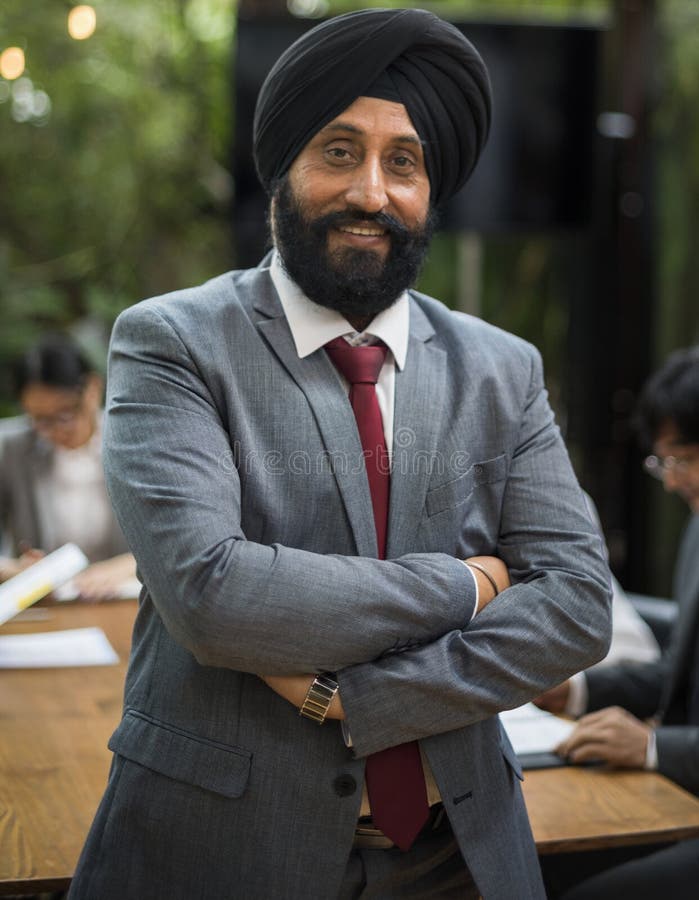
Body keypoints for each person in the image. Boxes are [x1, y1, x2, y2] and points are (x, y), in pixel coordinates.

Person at [68, 9, 612, 899]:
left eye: (404, 162)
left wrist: (359, 701)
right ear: (283, 163)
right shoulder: (172, 343)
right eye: (337, 150)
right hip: (220, 850)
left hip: (460, 854)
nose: (370, 190)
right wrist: (469, 584)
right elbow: (211, 592)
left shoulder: (501, 369)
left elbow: (580, 604)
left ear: (432, 188)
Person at [537, 345, 699, 899]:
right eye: (665, 462)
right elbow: (678, 675)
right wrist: (574, 690)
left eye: (685, 457)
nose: (675, 480)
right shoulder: (698, 532)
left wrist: (655, 749)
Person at [0, 335, 136, 601]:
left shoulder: (134, 440)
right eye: (40, 419)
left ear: (93, 389)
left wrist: (129, 565)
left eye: (65, 413)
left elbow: (179, 541)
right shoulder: (12, 449)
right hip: (47, 606)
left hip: (125, 599)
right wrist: (14, 569)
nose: (56, 430)